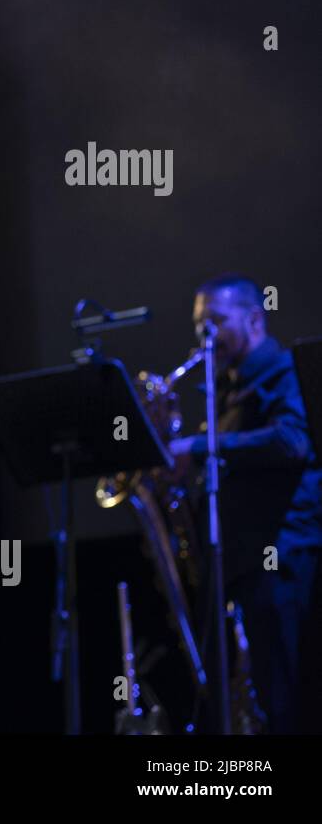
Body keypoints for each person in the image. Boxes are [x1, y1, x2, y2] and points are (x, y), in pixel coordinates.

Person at [170, 274, 321, 732]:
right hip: (241, 562)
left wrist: (198, 449)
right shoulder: (226, 389)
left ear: (255, 319)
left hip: (282, 557)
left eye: (214, 322)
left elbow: (293, 441)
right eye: (199, 324)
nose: (204, 336)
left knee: (285, 700)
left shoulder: (283, 369)